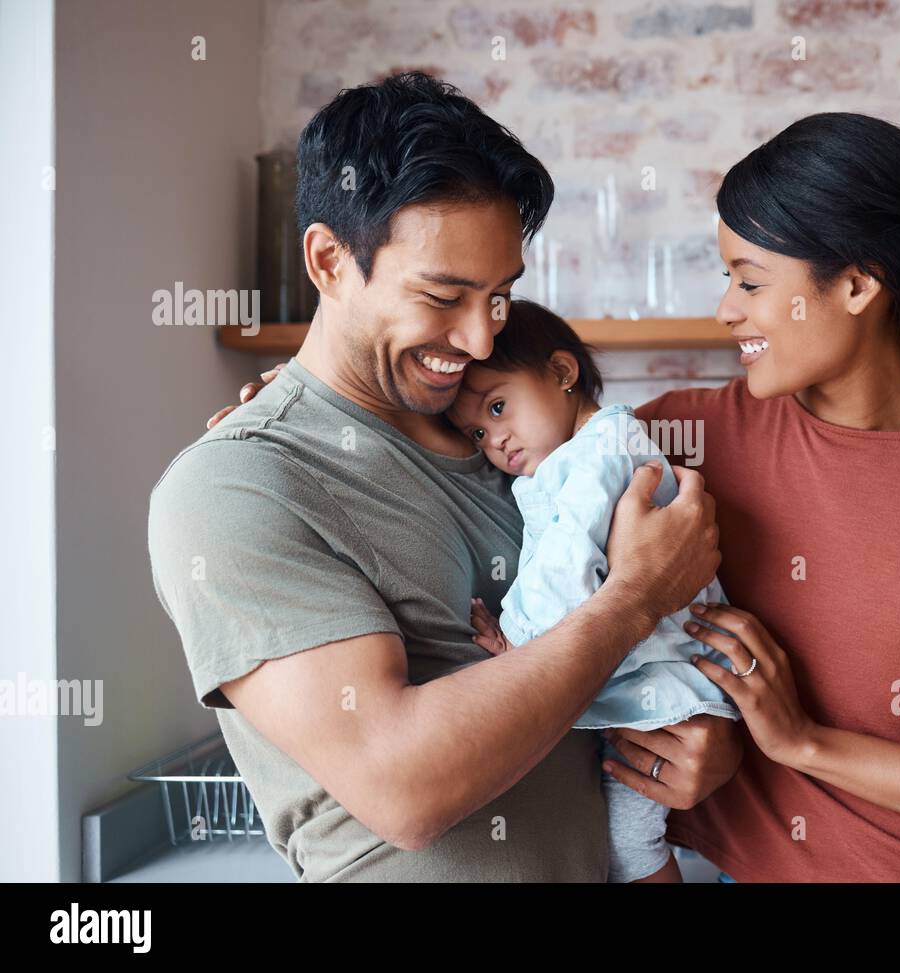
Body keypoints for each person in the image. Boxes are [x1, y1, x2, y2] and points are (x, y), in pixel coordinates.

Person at [208, 102, 900, 882]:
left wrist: (797, 741)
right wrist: (281, 424)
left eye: (748, 280)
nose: (725, 309)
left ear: (858, 284)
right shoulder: (672, 445)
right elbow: (497, 447)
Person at [148, 72, 742, 882]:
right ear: (328, 259)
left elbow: (610, 678)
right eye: (443, 294)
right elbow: (405, 785)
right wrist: (634, 599)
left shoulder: (505, 436)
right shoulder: (236, 486)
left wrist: (706, 739)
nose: (474, 338)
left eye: (500, 297)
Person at [446, 299, 743, 883]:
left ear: (562, 373)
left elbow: (568, 564)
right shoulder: (563, 463)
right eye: (478, 431)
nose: (495, 439)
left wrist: (518, 647)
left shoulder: (604, 451)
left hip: (668, 689)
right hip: (645, 682)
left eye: (499, 406)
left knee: (629, 846)